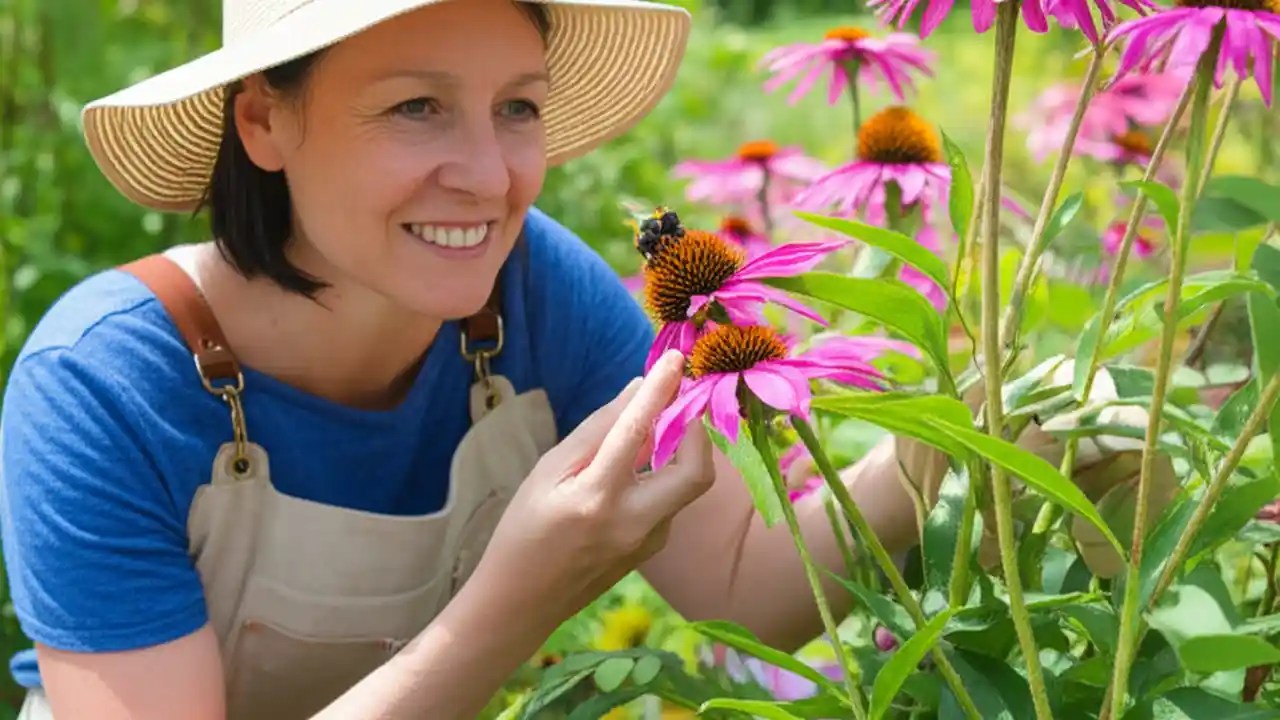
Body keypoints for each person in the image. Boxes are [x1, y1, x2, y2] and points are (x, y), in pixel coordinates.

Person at [0, 0, 1174, 718]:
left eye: (518, 107)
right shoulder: (101, 392)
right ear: (263, 122)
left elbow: (744, 589)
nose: (490, 173)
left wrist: (966, 435)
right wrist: (518, 598)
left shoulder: (532, 288)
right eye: (415, 108)